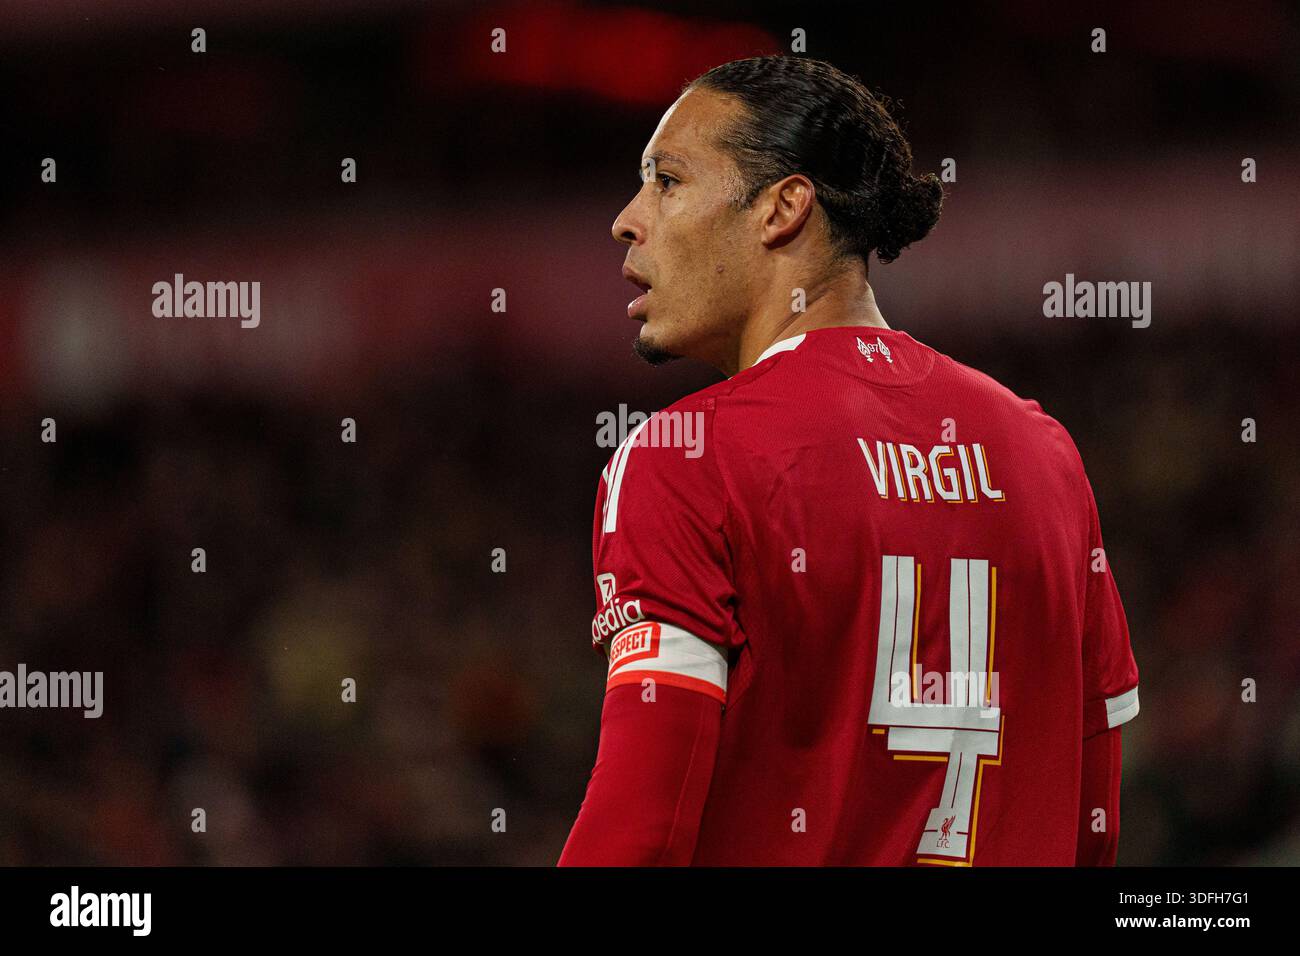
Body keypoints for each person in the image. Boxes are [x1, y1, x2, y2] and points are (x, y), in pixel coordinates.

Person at [559, 55, 1138, 866]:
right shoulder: (1044, 454)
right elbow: (1093, 826)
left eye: (666, 180)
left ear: (783, 208)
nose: (626, 218)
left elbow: (642, 827)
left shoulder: (685, 457)